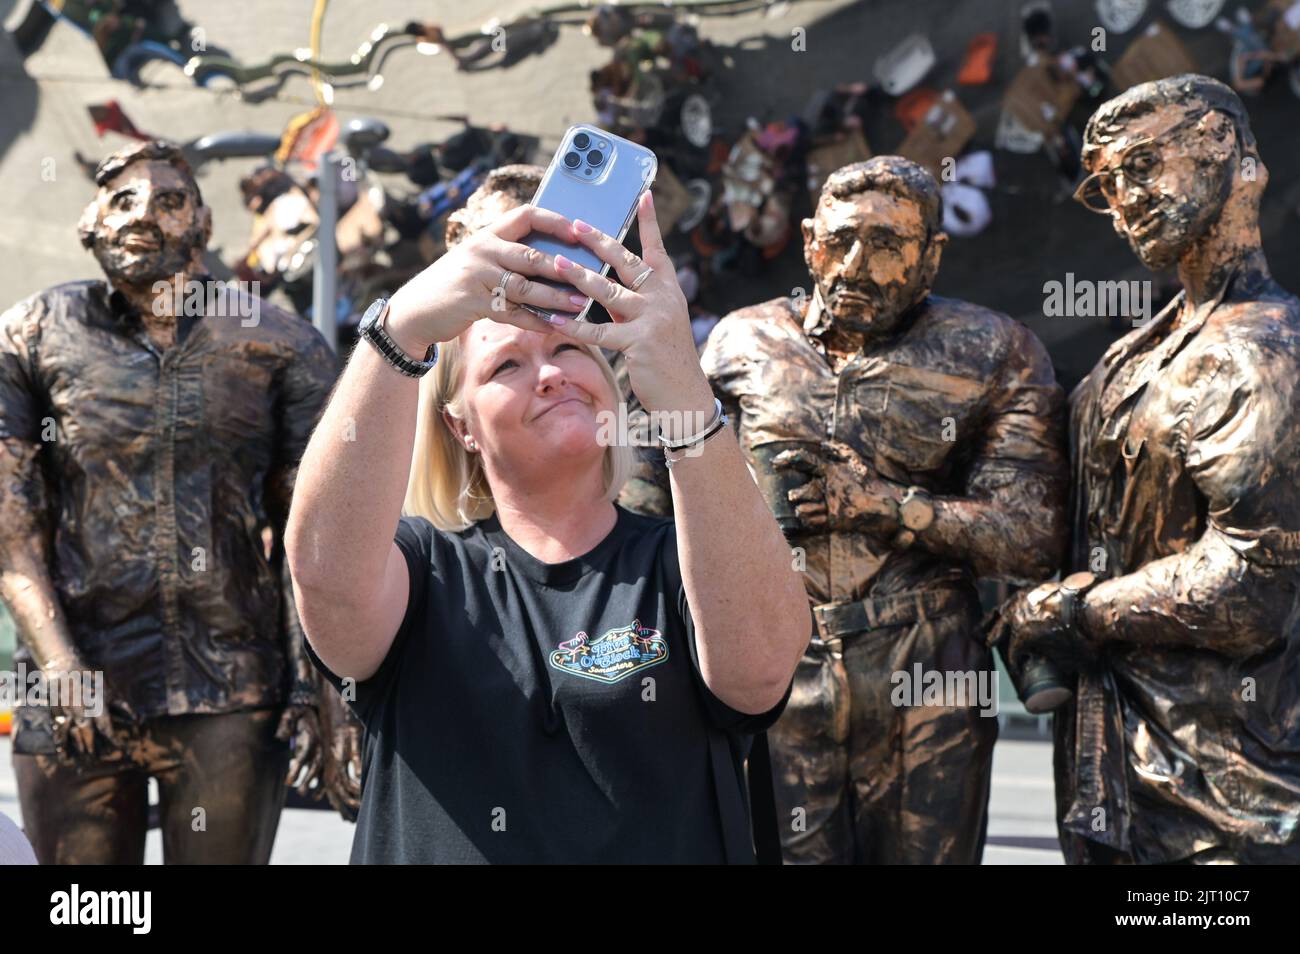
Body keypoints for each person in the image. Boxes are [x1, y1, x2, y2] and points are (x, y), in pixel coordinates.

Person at [286, 186, 809, 864]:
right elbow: (324, 579)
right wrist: (401, 329)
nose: (550, 375)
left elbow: (763, 668)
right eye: (507, 363)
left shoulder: (683, 562)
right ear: (460, 427)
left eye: (567, 348)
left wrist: (684, 394)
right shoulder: (422, 569)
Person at [701, 156, 1069, 864]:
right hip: (777, 672)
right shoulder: (738, 343)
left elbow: (1031, 534)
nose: (858, 267)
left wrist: (890, 509)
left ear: (931, 257)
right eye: (840, 242)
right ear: (810, 241)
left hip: (926, 680)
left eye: (890, 246)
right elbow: (661, 509)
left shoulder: (994, 351)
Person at [0, 139, 335, 863]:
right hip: (74, 680)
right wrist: (58, 664)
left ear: (203, 224)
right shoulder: (29, 336)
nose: (142, 215)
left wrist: (318, 691)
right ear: (89, 222)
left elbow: (311, 537)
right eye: (121, 201)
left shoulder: (280, 345)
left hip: (230, 686)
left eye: (169, 200)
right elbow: (13, 530)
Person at [999, 74, 1300, 864]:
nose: (1125, 199)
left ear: (1227, 150)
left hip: (1234, 805)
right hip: (1113, 789)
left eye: (1141, 166)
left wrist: (1071, 613)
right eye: (1107, 184)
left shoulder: (1269, 350)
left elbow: (1252, 586)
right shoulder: (1122, 362)